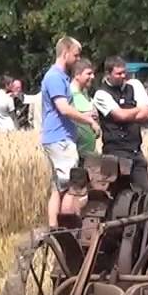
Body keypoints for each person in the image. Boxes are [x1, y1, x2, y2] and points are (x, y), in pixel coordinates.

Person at [40, 37, 99, 228]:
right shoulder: (55, 77)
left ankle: (54, 228)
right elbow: (64, 109)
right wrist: (89, 119)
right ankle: (67, 231)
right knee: (71, 187)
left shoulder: (58, 77)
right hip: (61, 138)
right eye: (76, 54)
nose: (77, 58)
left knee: (58, 188)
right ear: (65, 52)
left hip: (57, 138)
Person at [93, 56, 148, 192]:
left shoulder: (133, 87)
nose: (123, 76)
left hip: (135, 150)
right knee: (119, 194)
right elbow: (120, 116)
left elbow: (147, 114)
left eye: (124, 72)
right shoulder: (101, 94)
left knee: (146, 193)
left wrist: (128, 113)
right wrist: (138, 109)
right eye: (118, 73)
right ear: (108, 74)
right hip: (115, 153)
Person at [69, 60, 98, 161]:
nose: (93, 77)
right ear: (77, 75)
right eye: (89, 73)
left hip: (90, 152)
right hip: (76, 155)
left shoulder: (85, 93)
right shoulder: (68, 94)